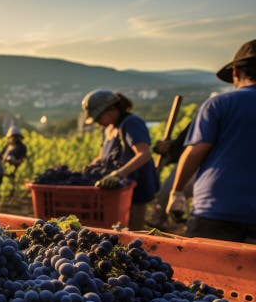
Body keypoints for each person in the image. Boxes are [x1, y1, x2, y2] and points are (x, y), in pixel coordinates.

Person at [167, 39, 256, 243]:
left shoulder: (219, 104)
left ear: (236, 72)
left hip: (216, 210)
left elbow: (196, 151)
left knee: (205, 272)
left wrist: (177, 192)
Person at [82, 89, 159, 230]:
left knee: (133, 230)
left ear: (111, 110)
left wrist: (118, 174)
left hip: (134, 187)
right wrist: (89, 168)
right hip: (115, 189)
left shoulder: (131, 123)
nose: (98, 122)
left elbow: (144, 153)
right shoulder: (108, 128)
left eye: (99, 118)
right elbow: (102, 156)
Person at [146, 122, 195, 229]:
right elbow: (183, 143)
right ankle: (160, 221)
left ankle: (181, 221)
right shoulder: (199, 119)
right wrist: (168, 146)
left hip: (203, 164)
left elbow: (196, 147)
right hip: (187, 161)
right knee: (166, 192)